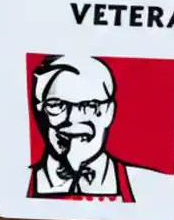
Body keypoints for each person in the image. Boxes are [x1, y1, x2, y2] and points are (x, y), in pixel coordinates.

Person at [27, 55, 147, 202]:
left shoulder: (148, 187)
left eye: (90, 105)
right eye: (56, 104)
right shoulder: (14, 185)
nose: (73, 119)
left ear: (109, 112)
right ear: (39, 110)